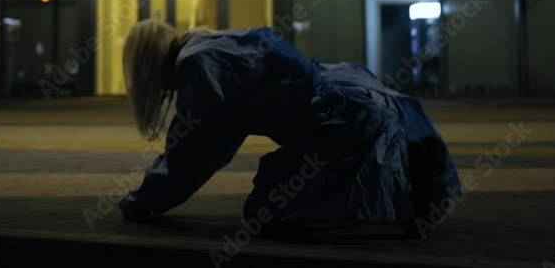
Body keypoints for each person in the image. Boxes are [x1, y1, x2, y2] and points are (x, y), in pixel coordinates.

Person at [118, 20, 461, 237]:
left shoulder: (199, 65)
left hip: (341, 117)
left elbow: (194, 153)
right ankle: (416, 189)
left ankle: (369, 199)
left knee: (264, 212)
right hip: (352, 95)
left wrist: (142, 202)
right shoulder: (216, 44)